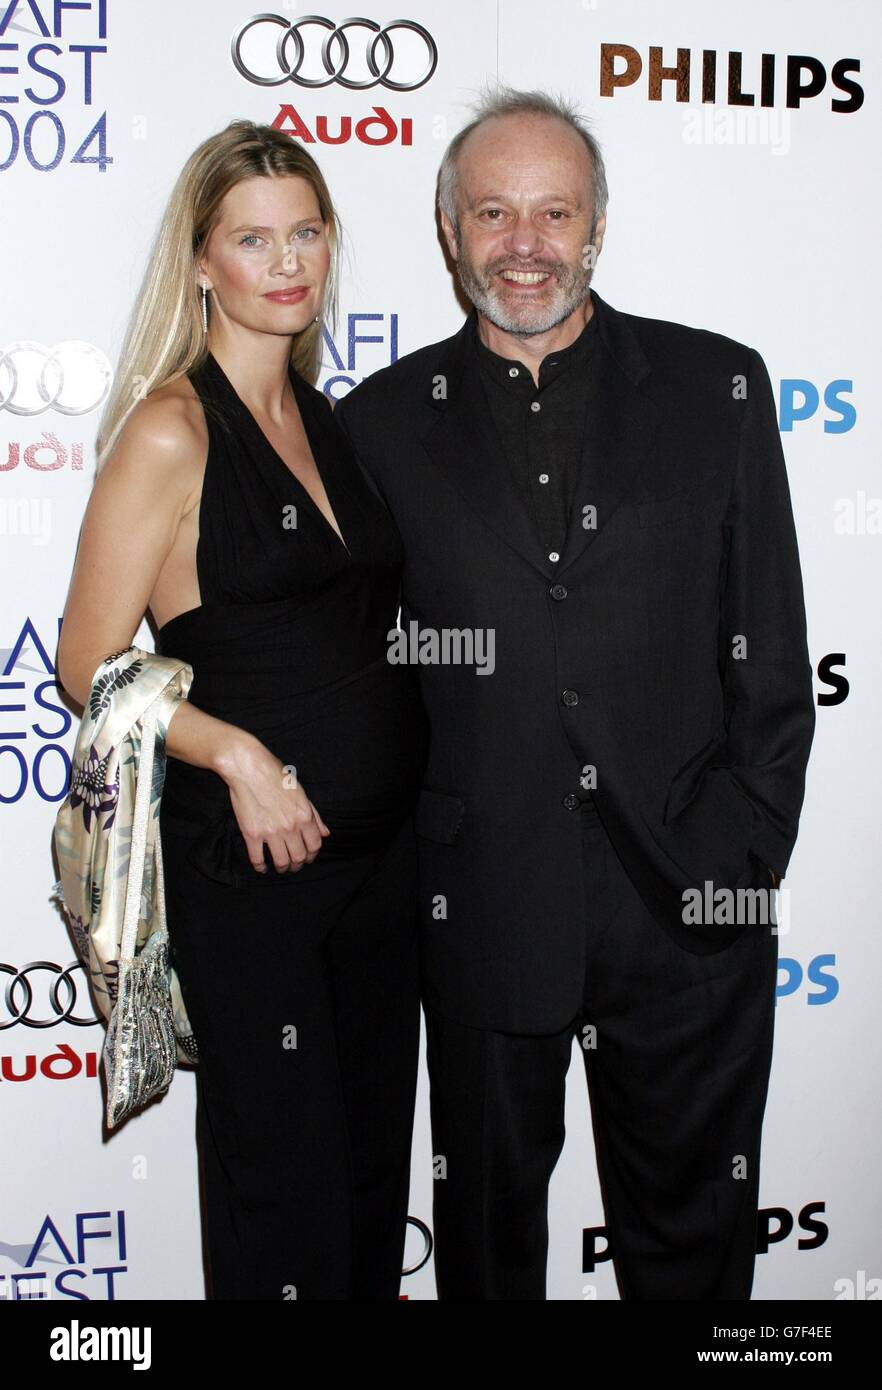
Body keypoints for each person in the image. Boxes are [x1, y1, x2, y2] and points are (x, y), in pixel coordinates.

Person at [332, 86, 816, 1300]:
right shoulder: (377, 424)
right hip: (485, 906)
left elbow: (769, 649)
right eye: (493, 211)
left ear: (598, 225)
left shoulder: (721, 391)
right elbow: (357, 683)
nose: (525, 242)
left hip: (690, 904)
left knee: (695, 1254)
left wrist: (744, 855)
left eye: (555, 211)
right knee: (488, 1257)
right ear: (448, 231)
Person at [56, 120, 428, 1300]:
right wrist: (238, 756)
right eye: (253, 238)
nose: (287, 261)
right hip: (258, 876)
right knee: (285, 1203)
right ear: (203, 261)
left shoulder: (327, 419)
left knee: (370, 1188)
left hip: (379, 872)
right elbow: (84, 663)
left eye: (307, 232)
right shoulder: (172, 428)